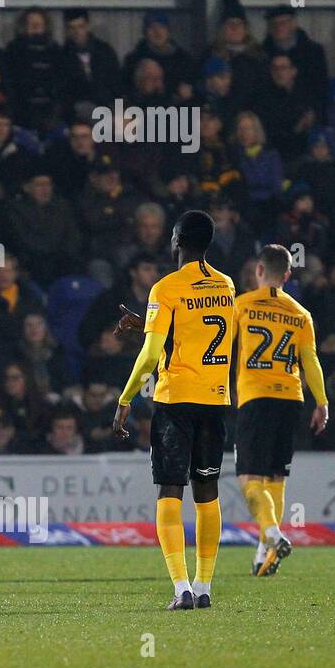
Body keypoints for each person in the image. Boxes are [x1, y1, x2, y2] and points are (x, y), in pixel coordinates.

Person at [113, 210, 236, 610]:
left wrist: (125, 399)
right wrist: (146, 326)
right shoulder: (227, 286)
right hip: (215, 401)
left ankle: (180, 587)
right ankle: (204, 586)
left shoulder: (166, 288)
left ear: (177, 241)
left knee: (170, 490)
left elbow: (152, 355)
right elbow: (199, 332)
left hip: (176, 401)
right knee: (207, 493)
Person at [233, 244, 329, 577]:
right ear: (287, 275)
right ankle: (263, 555)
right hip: (292, 398)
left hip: (256, 397)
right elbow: (311, 361)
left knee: (248, 477)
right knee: (276, 477)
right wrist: (322, 402)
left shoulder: (241, 305)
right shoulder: (301, 313)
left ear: (259, 270)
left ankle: (272, 534)